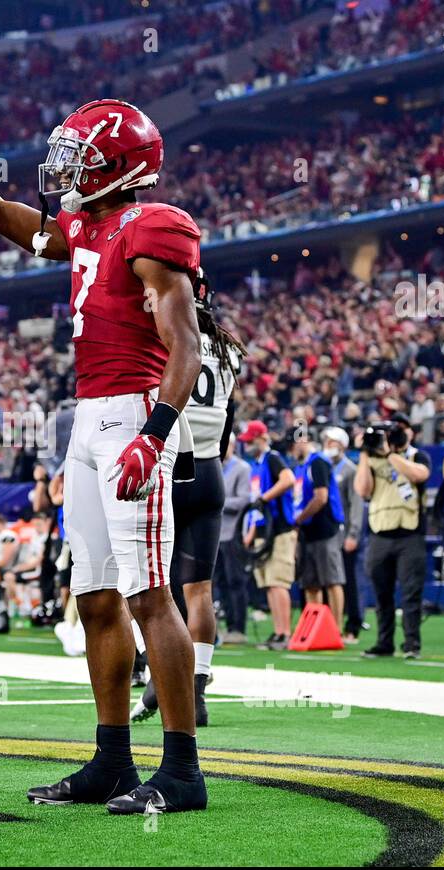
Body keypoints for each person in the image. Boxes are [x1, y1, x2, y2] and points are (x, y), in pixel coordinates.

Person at [0, 95, 207, 814]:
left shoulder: (151, 224)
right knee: (96, 596)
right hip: (88, 421)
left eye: (80, 155)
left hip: (134, 412)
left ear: (119, 164)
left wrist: (154, 434)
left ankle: (184, 771)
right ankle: (111, 760)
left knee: (149, 594)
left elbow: (185, 346)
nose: (65, 167)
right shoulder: (90, 226)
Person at [134, 270, 244, 727]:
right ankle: (195, 688)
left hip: (171, 464)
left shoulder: (166, 337)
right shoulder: (228, 351)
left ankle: (161, 678)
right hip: (211, 470)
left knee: (154, 585)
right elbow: (229, 422)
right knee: (199, 590)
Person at [355, 419, 431, 659]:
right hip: (379, 534)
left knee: (410, 593)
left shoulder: (417, 456)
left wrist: (390, 454)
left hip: (409, 535)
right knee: (381, 593)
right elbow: (363, 490)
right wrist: (366, 454)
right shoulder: (371, 460)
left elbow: (419, 475)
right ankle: (384, 642)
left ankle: (411, 644)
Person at [240, 422, 297, 650]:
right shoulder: (256, 465)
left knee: (278, 582)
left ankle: (285, 633)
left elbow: (288, 479)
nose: (247, 446)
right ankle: (277, 631)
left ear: (261, 438)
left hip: (280, 530)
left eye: (250, 441)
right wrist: (251, 533)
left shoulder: (273, 458)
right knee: (268, 583)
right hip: (263, 532)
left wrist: (265, 497)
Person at [290, 431, 346, 628]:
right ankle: (315, 630)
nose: (291, 451)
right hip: (308, 532)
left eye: (294, 445)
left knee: (332, 580)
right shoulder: (301, 467)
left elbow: (321, 497)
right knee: (310, 583)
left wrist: (299, 518)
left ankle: (336, 629)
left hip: (325, 529)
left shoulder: (317, 462)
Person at [322, 427, 364, 643]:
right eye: (327, 441)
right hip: (329, 535)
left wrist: (353, 534)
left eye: (334, 441)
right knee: (332, 581)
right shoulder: (325, 467)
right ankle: (330, 625)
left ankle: (353, 625)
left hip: (345, 534)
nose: (330, 445)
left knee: (350, 581)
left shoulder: (349, 469)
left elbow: (356, 504)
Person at [215, 440, 252, 643]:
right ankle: (229, 626)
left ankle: (238, 627)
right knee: (221, 582)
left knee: (235, 581)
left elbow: (245, 498)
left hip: (233, 532)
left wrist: (217, 501)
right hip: (216, 534)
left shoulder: (242, 468)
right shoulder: (216, 466)